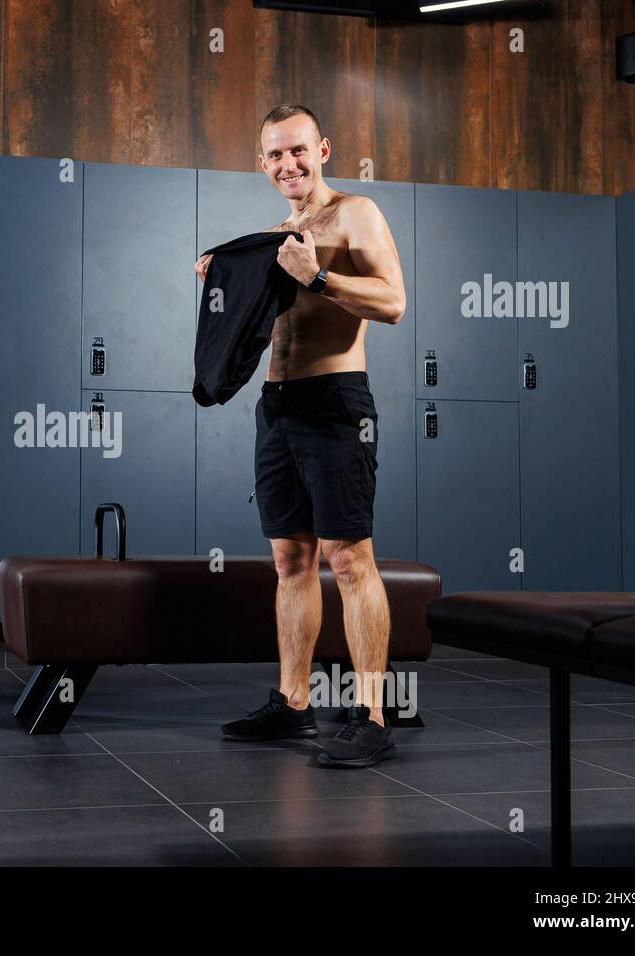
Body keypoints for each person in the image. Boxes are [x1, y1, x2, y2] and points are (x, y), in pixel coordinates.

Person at [196, 104, 407, 767]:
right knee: (291, 560)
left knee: (349, 557)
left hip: (335, 399)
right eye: (274, 155)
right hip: (277, 404)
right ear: (261, 163)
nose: (288, 164)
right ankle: (293, 703)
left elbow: (393, 302)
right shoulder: (274, 235)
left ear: (323, 149)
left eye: (298, 150)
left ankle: (373, 713)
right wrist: (224, 271)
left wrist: (316, 275)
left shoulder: (355, 214)